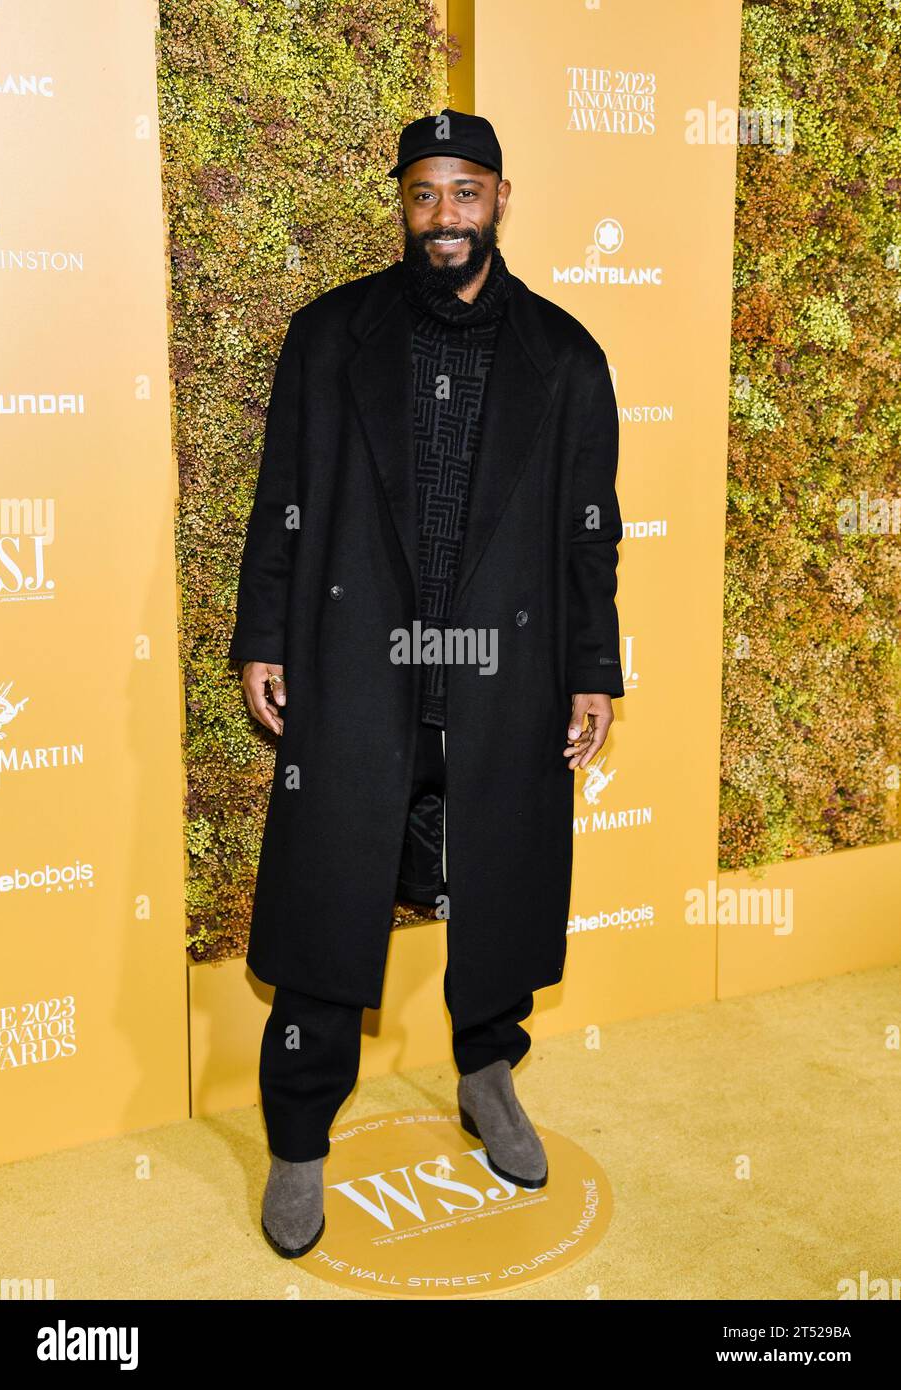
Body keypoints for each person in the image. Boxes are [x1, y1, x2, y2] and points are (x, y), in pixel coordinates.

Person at [229, 108, 625, 1258]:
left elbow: (587, 539)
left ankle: (489, 1076)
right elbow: (279, 503)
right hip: (360, 670)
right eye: (422, 194)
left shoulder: (566, 356)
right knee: (323, 898)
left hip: (502, 676)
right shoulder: (326, 336)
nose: (442, 215)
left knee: (497, 882)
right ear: (400, 204)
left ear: (501, 196)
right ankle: (299, 1138)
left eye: (463, 192)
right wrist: (265, 634)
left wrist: (593, 668)